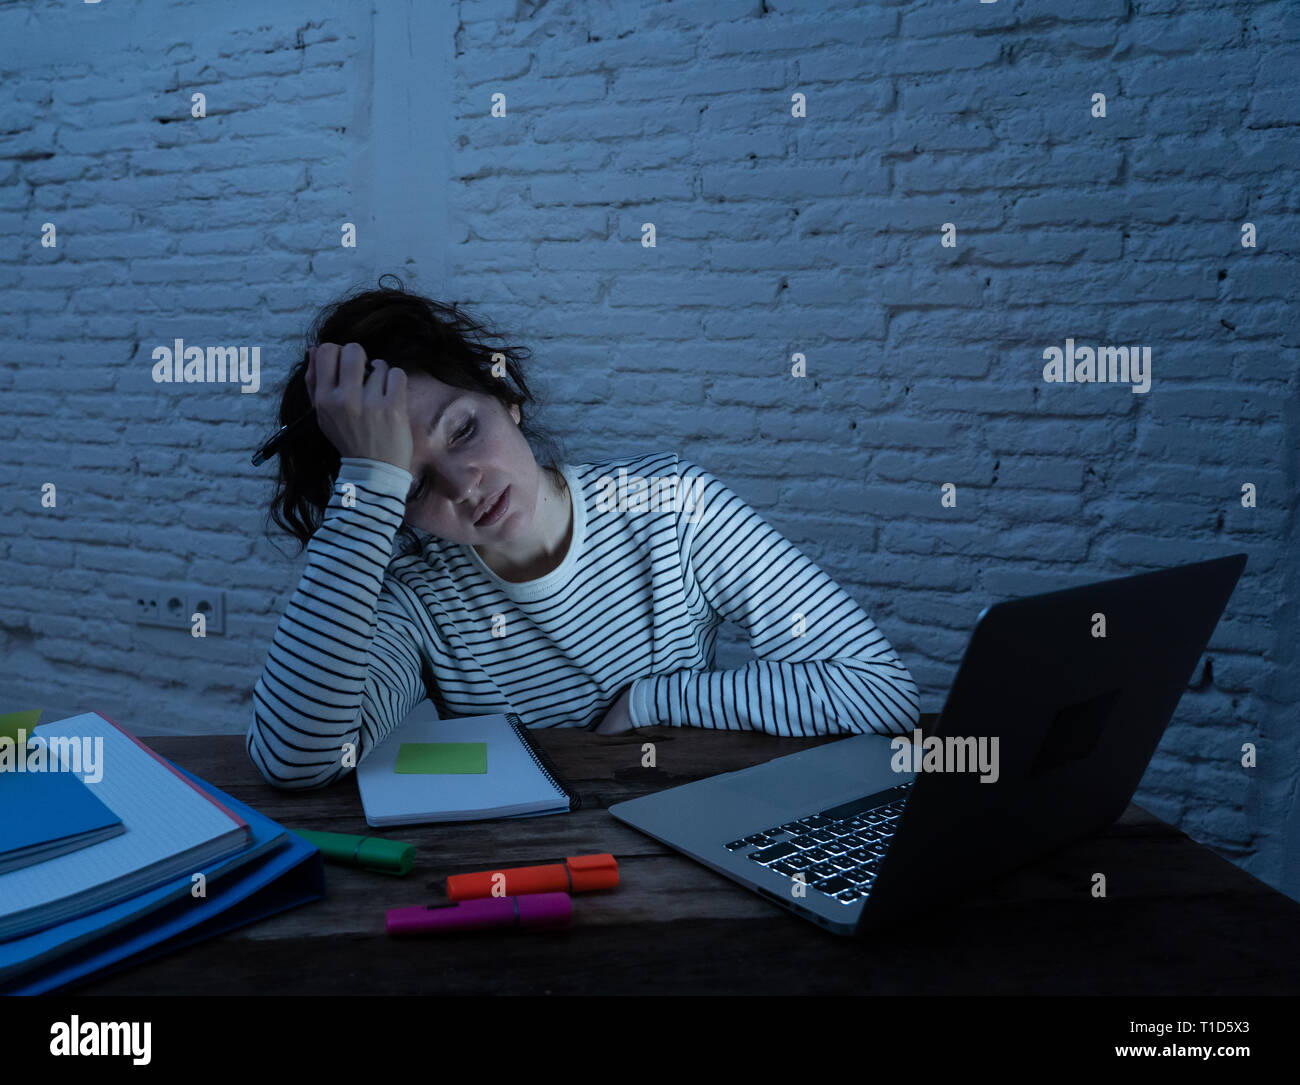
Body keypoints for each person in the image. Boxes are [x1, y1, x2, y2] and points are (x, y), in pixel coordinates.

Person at [246, 277, 921, 790]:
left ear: (505, 397)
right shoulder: (417, 602)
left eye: (462, 428)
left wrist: (654, 698)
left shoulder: (670, 508)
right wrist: (368, 479)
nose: (463, 484)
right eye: (414, 483)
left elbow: (882, 693)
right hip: (533, 874)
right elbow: (295, 760)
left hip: (689, 836)